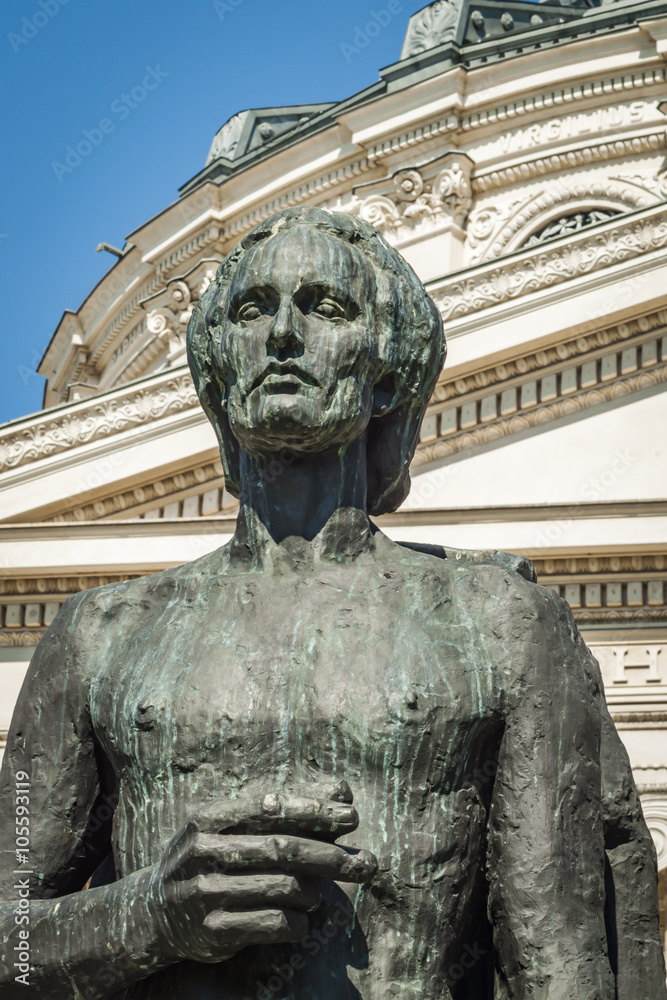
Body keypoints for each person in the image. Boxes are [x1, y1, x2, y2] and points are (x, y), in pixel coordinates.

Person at [0, 206, 664, 999]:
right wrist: (148, 913)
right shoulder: (97, 634)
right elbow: (10, 944)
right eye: (252, 310)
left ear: (387, 372)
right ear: (216, 370)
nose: (282, 333)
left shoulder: (500, 620)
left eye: (325, 307)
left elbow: (560, 960)